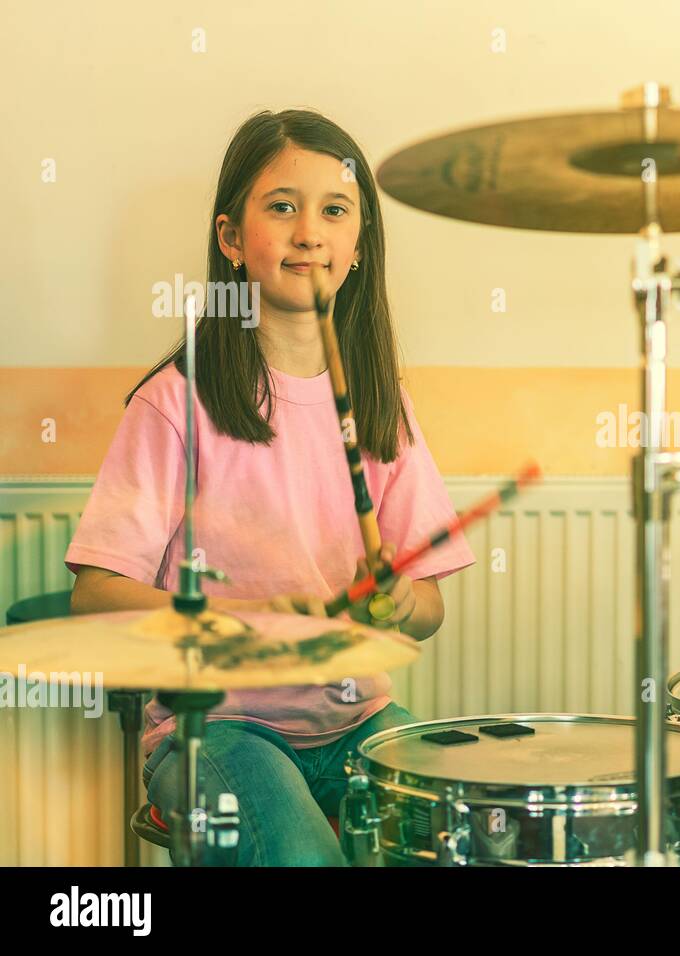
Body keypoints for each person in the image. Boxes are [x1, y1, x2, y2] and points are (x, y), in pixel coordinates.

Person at [65, 109, 474, 866]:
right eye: (282, 207)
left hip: (356, 718)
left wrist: (399, 601)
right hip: (214, 730)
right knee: (301, 856)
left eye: (335, 210)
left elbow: (426, 608)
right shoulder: (176, 400)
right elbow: (95, 595)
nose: (309, 232)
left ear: (357, 245)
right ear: (230, 238)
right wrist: (244, 620)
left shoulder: (383, 403)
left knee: (453, 839)